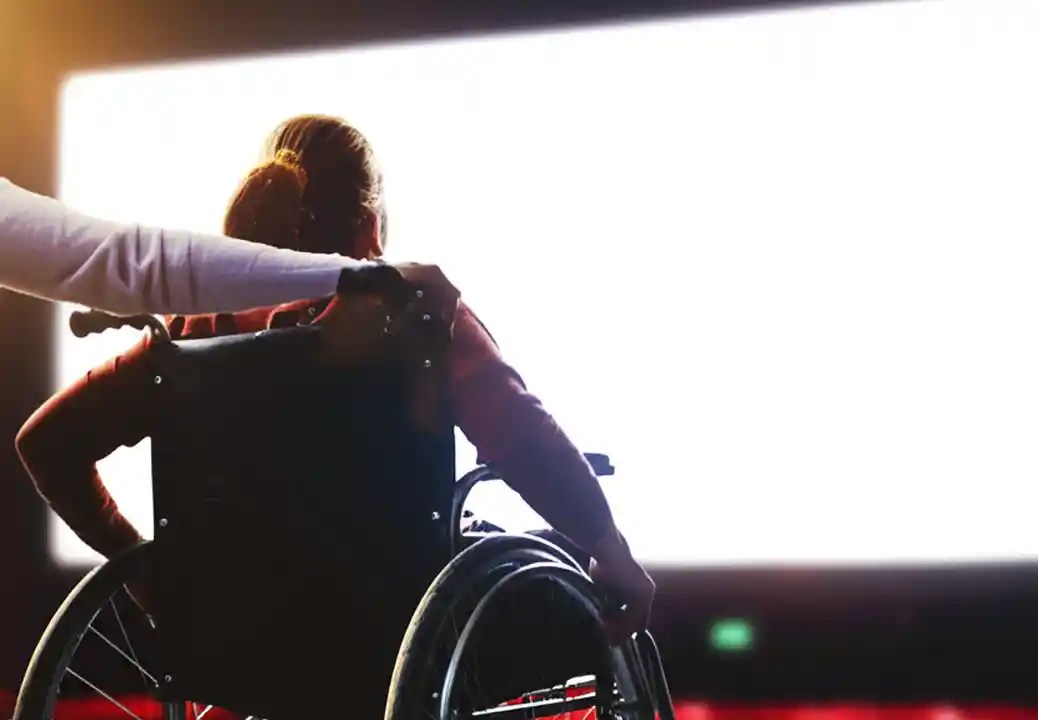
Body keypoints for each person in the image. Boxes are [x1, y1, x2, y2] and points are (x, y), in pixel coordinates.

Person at [14, 114, 654, 643]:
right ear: (372, 230)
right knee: (552, 564)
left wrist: (144, 571)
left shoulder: (192, 333)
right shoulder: (414, 317)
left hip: (238, 635)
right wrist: (614, 556)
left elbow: (46, 444)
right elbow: (522, 437)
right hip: (395, 631)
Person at [0, 175, 432, 315]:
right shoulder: (421, 324)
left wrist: (355, 277)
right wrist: (360, 278)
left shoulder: (189, 337)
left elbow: (131, 264)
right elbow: (132, 265)